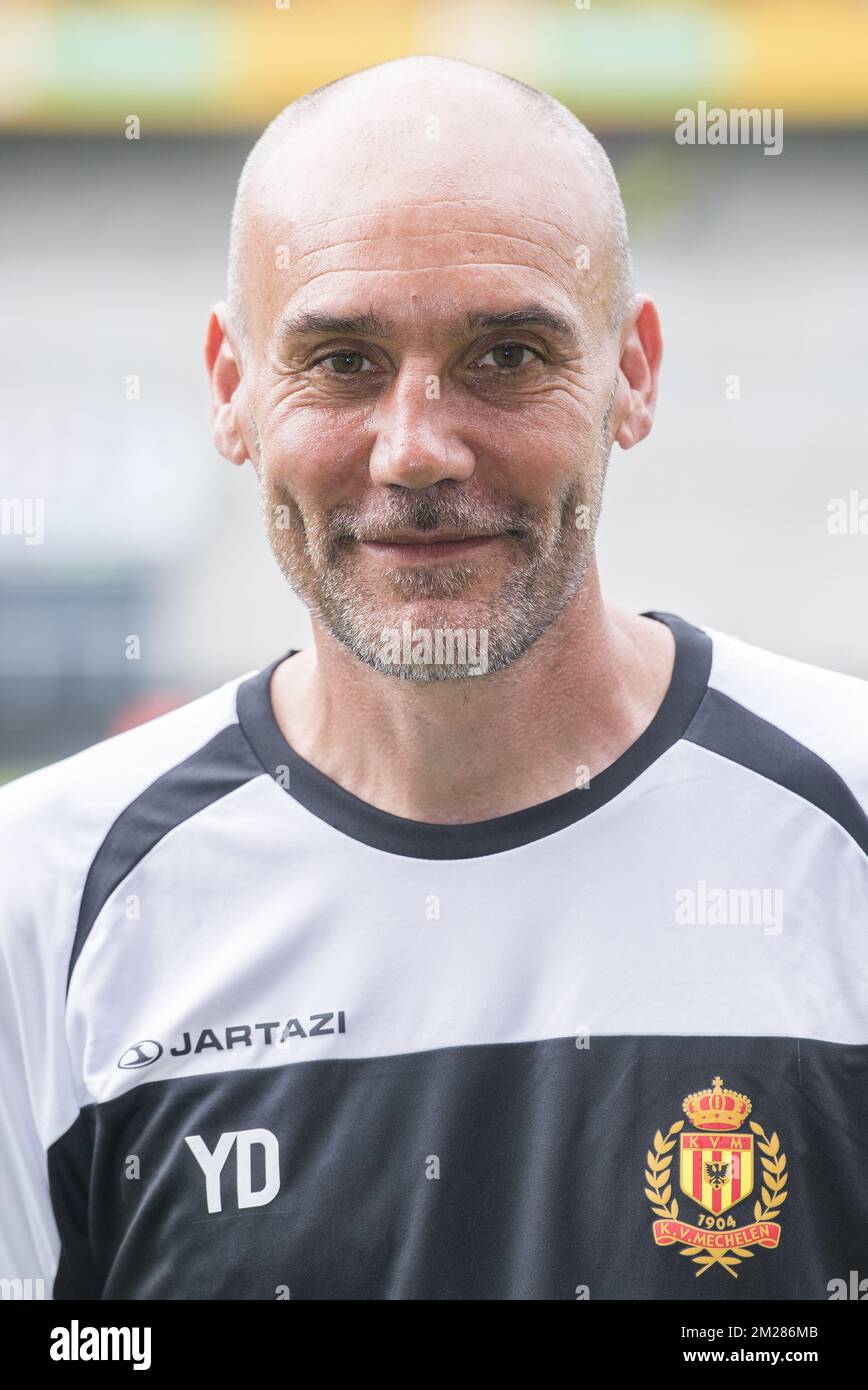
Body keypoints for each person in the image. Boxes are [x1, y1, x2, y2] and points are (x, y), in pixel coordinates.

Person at [1, 56, 865, 1301]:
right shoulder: (45, 896)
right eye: (343, 359)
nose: (415, 449)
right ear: (231, 387)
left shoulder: (846, 822)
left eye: (506, 354)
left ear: (633, 371)